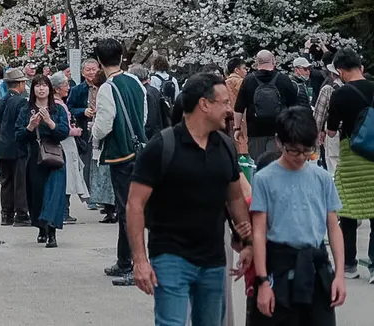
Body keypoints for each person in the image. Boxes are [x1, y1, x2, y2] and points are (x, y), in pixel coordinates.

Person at [125, 72, 253, 322]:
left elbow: (235, 198)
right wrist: (140, 260)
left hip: (213, 260)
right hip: (170, 256)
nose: (230, 110)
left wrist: (247, 243)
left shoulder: (226, 146)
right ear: (204, 104)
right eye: (224, 103)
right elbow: (135, 204)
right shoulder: (162, 146)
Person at [249, 107, 346, 325]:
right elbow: (259, 233)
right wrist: (263, 281)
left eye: (307, 150)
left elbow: (333, 227)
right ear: (279, 142)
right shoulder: (264, 179)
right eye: (294, 151)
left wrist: (339, 275)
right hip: (280, 266)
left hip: (315, 265)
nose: (301, 157)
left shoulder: (322, 178)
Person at [92, 37, 147, 282]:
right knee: (132, 207)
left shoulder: (108, 88)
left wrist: (94, 133)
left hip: (121, 154)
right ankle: (124, 260)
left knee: (127, 209)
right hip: (140, 150)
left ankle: (132, 263)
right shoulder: (135, 82)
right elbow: (143, 115)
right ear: (121, 57)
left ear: (99, 61)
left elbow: (104, 124)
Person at [323, 47, 374, 281]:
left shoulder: (340, 94)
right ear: (360, 67)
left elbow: (331, 131)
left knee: (349, 211)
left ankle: (349, 264)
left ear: (341, 71)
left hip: (352, 156)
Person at [18, 75, 70, 248]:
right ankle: (41, 227)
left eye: (44, 85)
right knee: (37, 194)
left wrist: (49, 121)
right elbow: (18, 136)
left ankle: (52, 232)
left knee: (54, 194)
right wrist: (30, 127)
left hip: (55, 156)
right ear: (33, 89)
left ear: (50, 88)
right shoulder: (26, 110)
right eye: (38, 86)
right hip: (35, 157)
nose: (41, 89)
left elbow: (64, 132)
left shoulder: (58, 109)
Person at [236, 50, 308, 160]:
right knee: (277, 163)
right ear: (273, 60)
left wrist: (237, 128)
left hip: (255, 131)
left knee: (259, 163)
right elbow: (294, 106)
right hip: (279, 130)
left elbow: (239, 108)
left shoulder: (248, 80)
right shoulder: (283, 79)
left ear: (257, 62)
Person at [0, 67, 30, 226]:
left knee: (6, 181)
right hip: (17, 146)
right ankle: (21, 213)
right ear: (20, 84)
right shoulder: (21, 101)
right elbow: (22, 124)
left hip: (2, 145)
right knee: (20, 181)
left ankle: (6, 214)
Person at [50, 71, 87, 223]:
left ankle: (64, 211)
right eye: (65, 85)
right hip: (65, 144)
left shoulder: (56, 103)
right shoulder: (58, 105)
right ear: (57, 88)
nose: (68, 87)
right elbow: (62, 127)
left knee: (68, 177)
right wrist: (75, 131)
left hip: (64, 144)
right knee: (67, 177)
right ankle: (64, 211)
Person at [68, 59, 102, 209]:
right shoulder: (77, 90)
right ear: (83, 72)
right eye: (88, 70)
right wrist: (83, 111)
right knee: (87, 164)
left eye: (94, 69)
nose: (91, 72)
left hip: (102, 128)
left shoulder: (105, 87)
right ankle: (91, 197)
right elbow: (69, 108)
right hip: (85, 130)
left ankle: (102, 196)